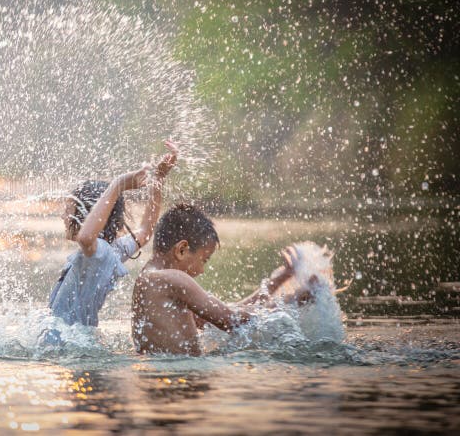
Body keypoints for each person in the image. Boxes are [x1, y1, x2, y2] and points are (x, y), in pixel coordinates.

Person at [131, 203, 313, 355]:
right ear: (182, 250)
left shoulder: (150, 278)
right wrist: (288, 304)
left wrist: (278, 280)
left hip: (164, 375)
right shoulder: (172, 278)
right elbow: (231, 320)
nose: (202, 270)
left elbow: (224, 314)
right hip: (180, 378)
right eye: (204, 259)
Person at [43, 141, 178, 343]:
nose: (63, 216)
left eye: (69, 210)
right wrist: (158, 179)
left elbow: (86, 237)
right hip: (76, 343)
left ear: (88, 215)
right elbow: (146, 230)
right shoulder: (111, 251)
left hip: (63, 346)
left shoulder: (97, 253)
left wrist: (117, 186)